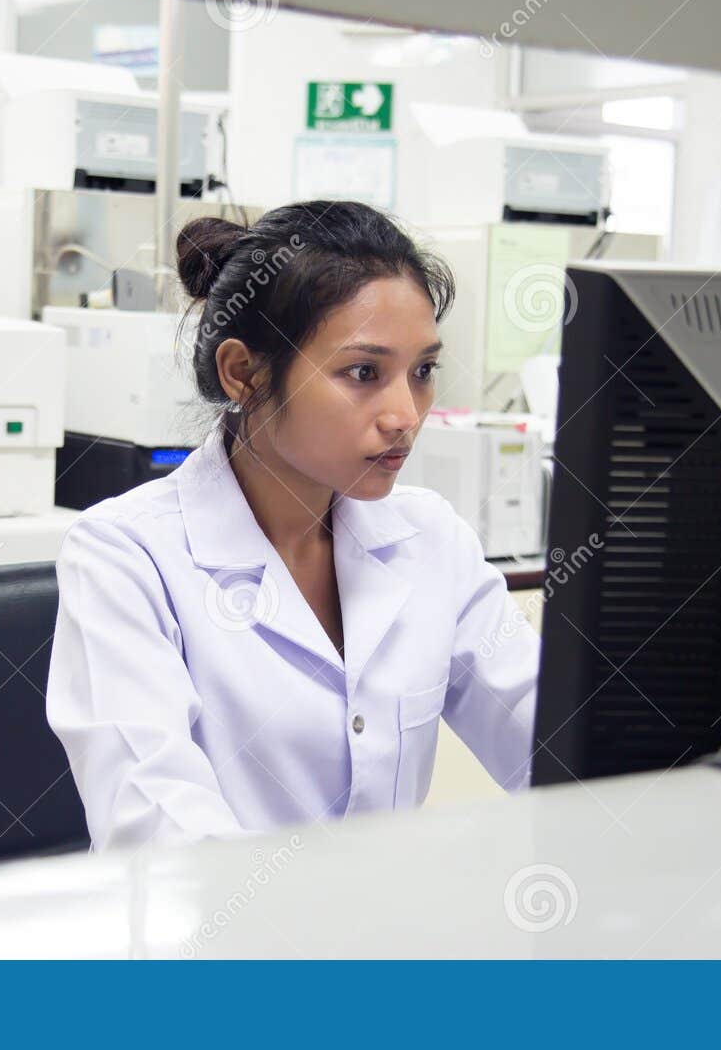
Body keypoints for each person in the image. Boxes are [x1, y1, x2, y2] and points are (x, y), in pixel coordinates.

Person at [46, 200, 540, 851]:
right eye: (363, 372)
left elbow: (555, 739)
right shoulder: (125, 556)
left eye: (421, 371)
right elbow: (160, 831)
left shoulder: (430, 539)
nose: (405, 414)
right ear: (243, 373)